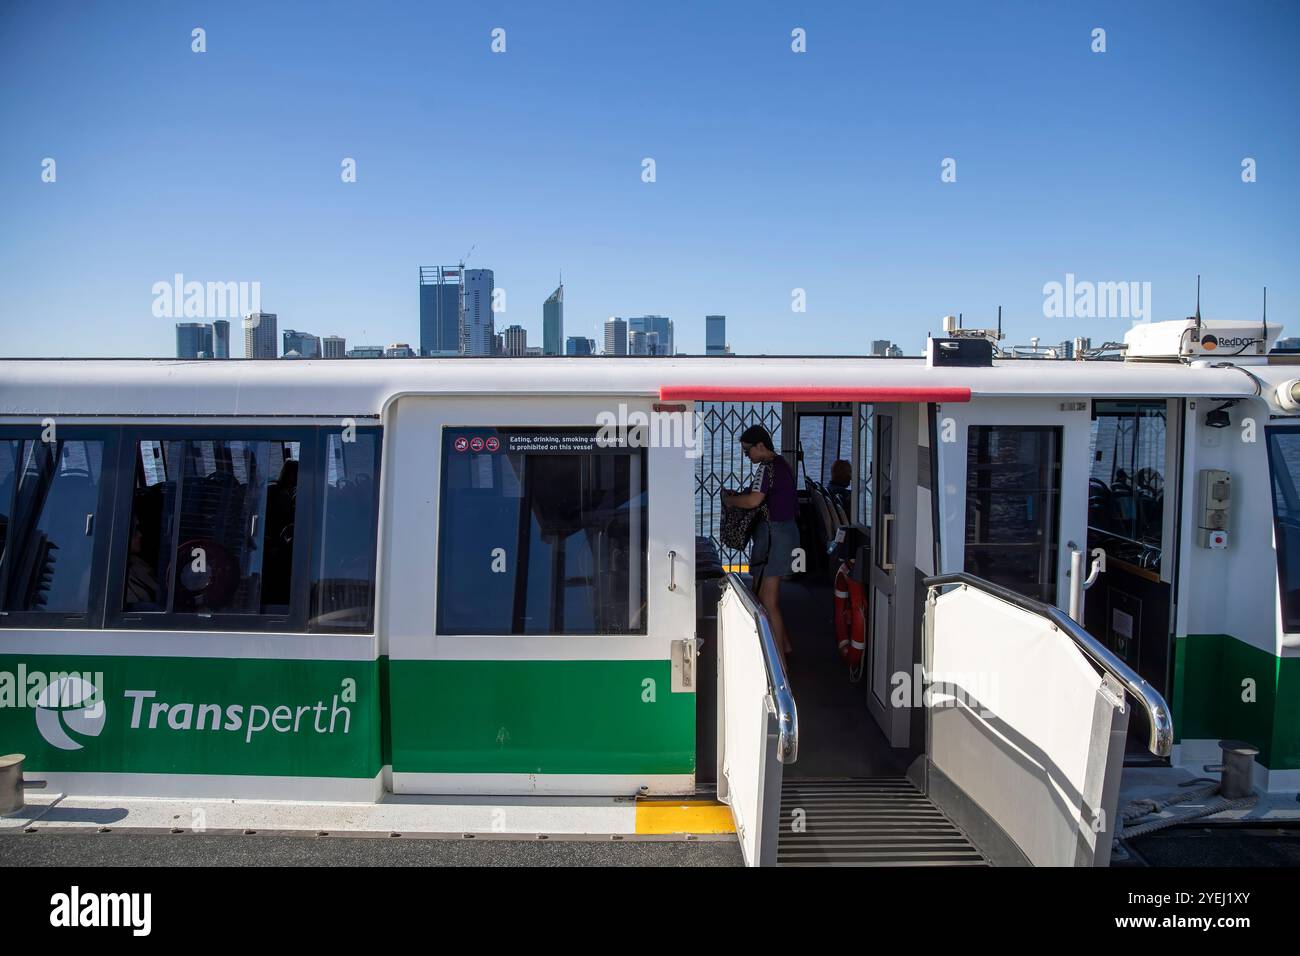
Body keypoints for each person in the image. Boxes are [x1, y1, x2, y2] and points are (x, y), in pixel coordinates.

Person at [722, 424, 796, 658]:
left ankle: (780, 664)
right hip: (784, 533)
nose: (746, 456)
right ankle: (784, 646)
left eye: (747, 451)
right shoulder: (782, 464)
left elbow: (754, 500)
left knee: (767, 599)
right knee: (766, 595)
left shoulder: (767, 468)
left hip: (774, 536)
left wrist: (732, 502)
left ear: (760, 446)